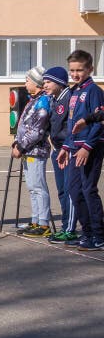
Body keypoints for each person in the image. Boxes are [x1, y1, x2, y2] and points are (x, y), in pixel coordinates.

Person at [57, 50, 104, 250]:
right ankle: (86, 233)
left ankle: (99, 235)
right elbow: (73, 123)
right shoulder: (74, 91)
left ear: (90, 69)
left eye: (80, 70)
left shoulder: (94, 91)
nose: (75, 74)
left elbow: (99, 122)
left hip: (90, 148)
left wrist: (87, 146)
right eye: (72, 70)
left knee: (88, 190)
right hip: (75, 148)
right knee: (74, 191)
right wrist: (66, 147)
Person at [12, 67, 53, 237]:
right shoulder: (32, 101)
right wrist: (17, 141)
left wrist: (21, 147)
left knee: (38, 186)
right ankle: (35, 219)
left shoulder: (43, 101)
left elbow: (38, 130)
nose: (25, 83)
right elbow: (24, 125)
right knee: (31, 187)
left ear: (36, 83)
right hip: (28, 151)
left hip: (35, 151)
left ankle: (43, 223)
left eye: (27, 80)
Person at [42, 66, 78, 244]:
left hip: (68, 151)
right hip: (58, 151)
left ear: (59, 82)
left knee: (70, 191)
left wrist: (65, 146)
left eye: (48, 82)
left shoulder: (68, 99)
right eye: (44, 82)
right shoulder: (54, 100)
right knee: (62, 191)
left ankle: (70, 229)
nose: (45, 85)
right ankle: (66, 226)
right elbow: (53, 125)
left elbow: (70, 128)